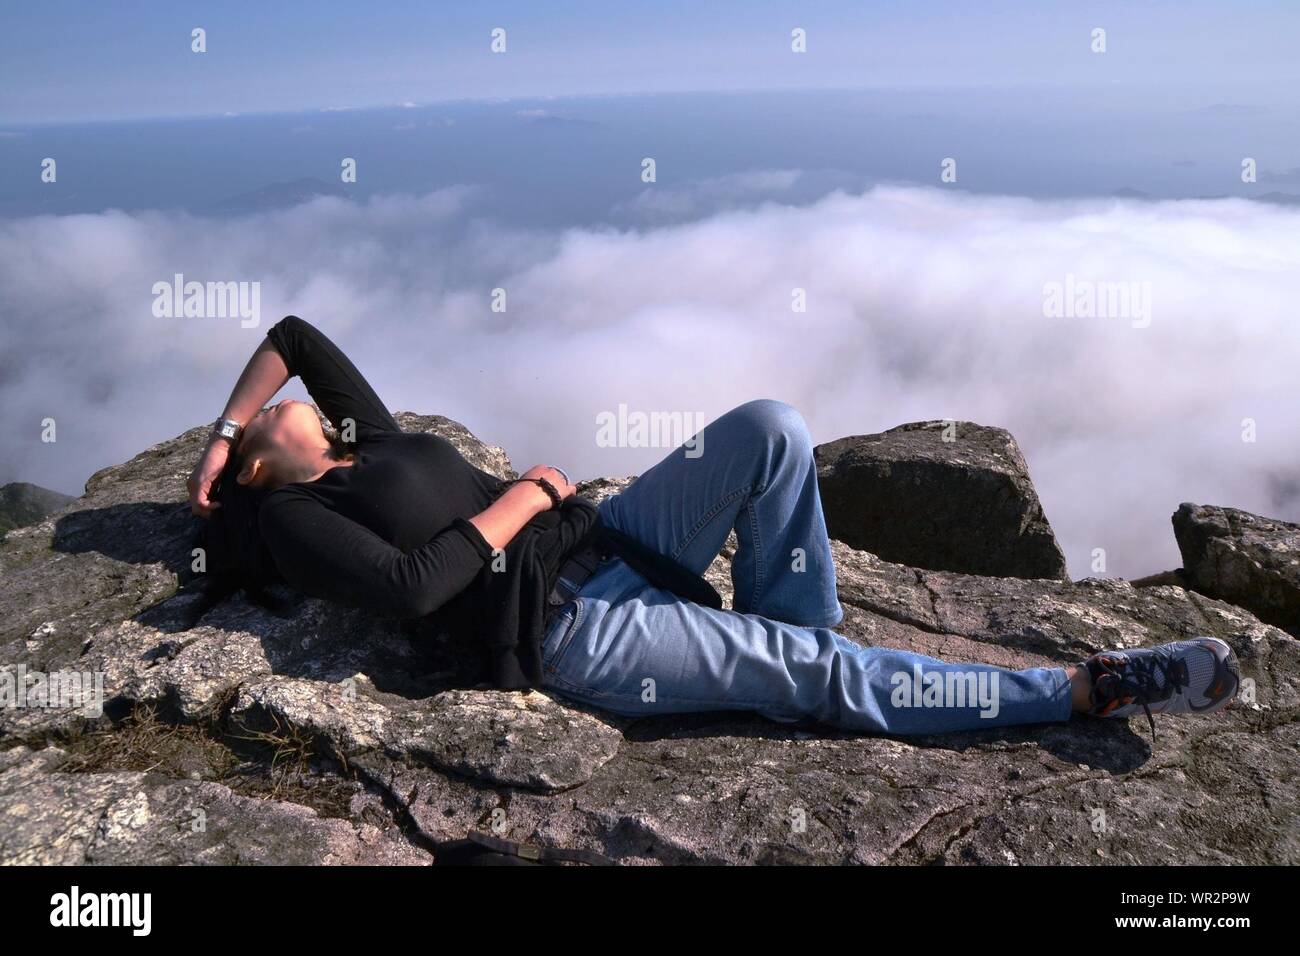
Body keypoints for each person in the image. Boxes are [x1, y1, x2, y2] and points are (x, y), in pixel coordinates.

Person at [188, 316, 1241, 738]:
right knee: (816, 671)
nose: (306, 404)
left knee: (772, 430)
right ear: (256, 474)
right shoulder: (291, 516)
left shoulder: (355, 443)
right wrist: (528, 496)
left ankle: (811, 660)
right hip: (565, 628)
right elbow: (414, 588)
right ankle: (1084, 687)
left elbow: (291, 334)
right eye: (279, 420)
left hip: (606, 540)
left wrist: (225, 423)